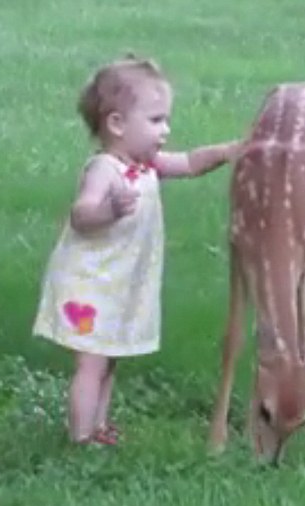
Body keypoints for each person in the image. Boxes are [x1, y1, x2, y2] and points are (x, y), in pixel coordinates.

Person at [32, 54, 242, 446]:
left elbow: (189, 163)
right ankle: (81, 437)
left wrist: (228, 151)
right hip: (91, 284)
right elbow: (81, 214)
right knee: (92, 363)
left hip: (118, 282)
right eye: (156, 120)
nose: (166, 130)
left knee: (109, 359)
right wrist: (109, 210)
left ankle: (98, 426)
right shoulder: (104, 169)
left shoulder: (148, 164)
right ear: (117, 124)